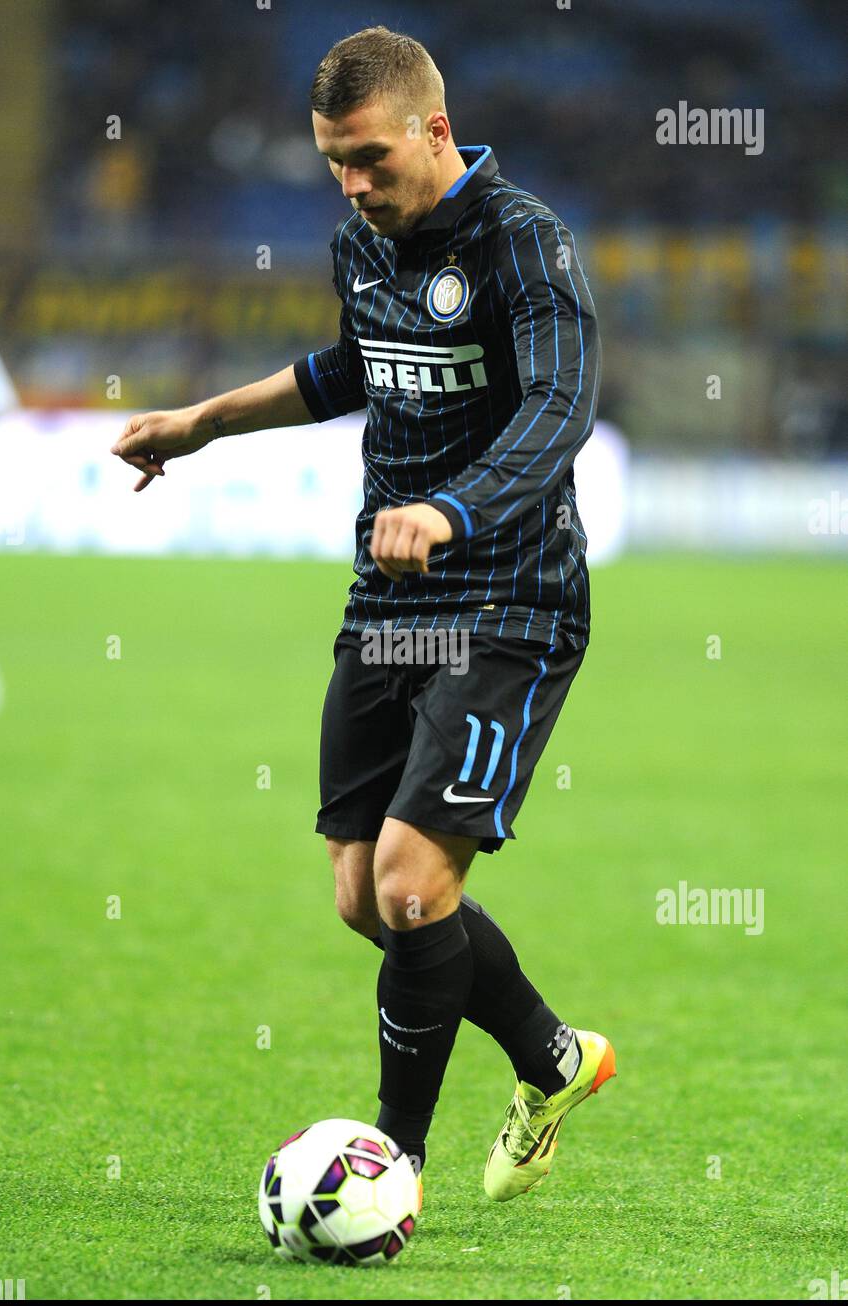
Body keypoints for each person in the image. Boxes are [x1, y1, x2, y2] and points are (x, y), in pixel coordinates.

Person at [110, 26, 615, 1204]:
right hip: (389, 602)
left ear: (434, 132)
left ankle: (394, 1157)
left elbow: (558, 409)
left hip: (511, 602)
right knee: (363, 898)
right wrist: (201, 422)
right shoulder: (361, 242)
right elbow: (355, 366)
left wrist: (449, 508)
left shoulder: (524, 244)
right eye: (333, 161)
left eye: (371, 159)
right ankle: (554, 1057)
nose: (351, 184)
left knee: (406, 883)